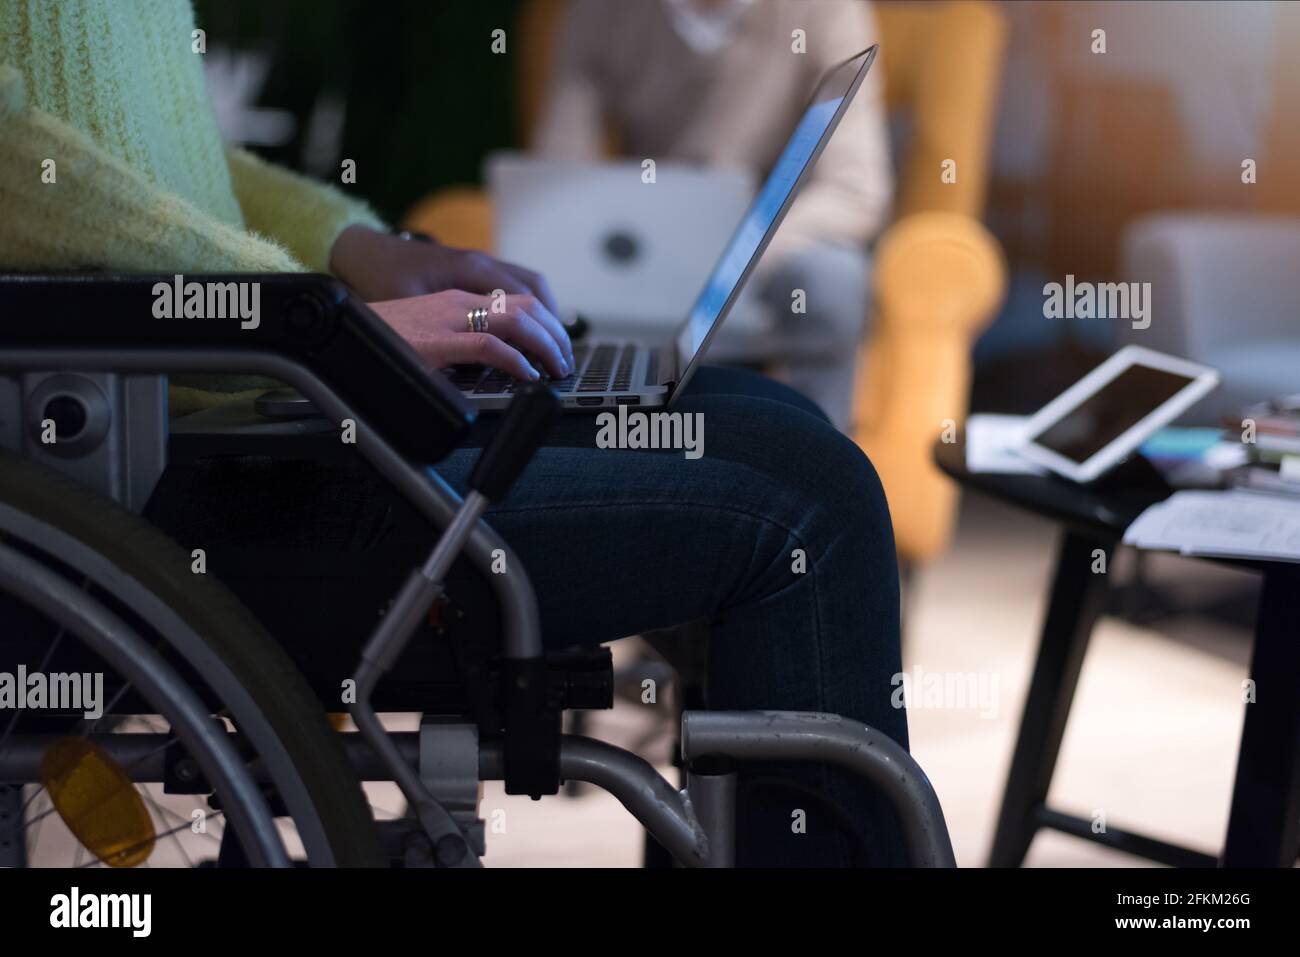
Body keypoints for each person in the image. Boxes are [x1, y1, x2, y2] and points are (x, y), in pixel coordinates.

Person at [0, 0, 907, 865]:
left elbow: (182, 158)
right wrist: (311, 323)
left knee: (775, 421)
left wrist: (374, 253)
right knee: (803, 503)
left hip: (233, 407)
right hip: (146, 475)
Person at [533, 0, 893, 431]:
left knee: (832, 279)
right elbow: (560, 174)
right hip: (650, 238)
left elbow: (855, 191)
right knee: (549, 272)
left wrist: (732, 254)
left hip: (772, 243)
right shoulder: (599, 12)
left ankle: (824, 456)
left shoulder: (825, 10)